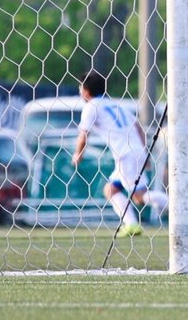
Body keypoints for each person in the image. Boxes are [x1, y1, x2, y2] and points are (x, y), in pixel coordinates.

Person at [72, 71, 168, 237]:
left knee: (139, 196)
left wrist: (77, 154)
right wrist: (144, 152)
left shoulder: (91, 107)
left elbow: (83, 135)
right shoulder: (115, 104)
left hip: (125, 155)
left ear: (86, 90)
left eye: (80, 88)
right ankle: (131, 225)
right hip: (134, 152)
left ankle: (179, 208)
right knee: (111, 190)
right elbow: (138, 127)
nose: (80, 92)